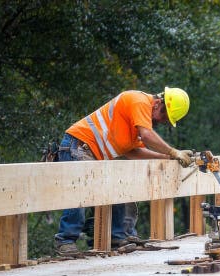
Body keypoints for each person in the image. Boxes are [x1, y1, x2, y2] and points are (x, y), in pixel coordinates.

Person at [54, 87, 194, 255]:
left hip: (89, 153)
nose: (163, 121)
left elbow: (132, 151)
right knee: (81, 192)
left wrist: (168, 157)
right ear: (158, 104)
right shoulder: (139, 101)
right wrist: (172, 151)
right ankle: (65, 241)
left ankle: (116, 237)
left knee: (118, 187)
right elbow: (148, 136)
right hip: (77, 146)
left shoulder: (138, 121)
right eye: (164, 116)